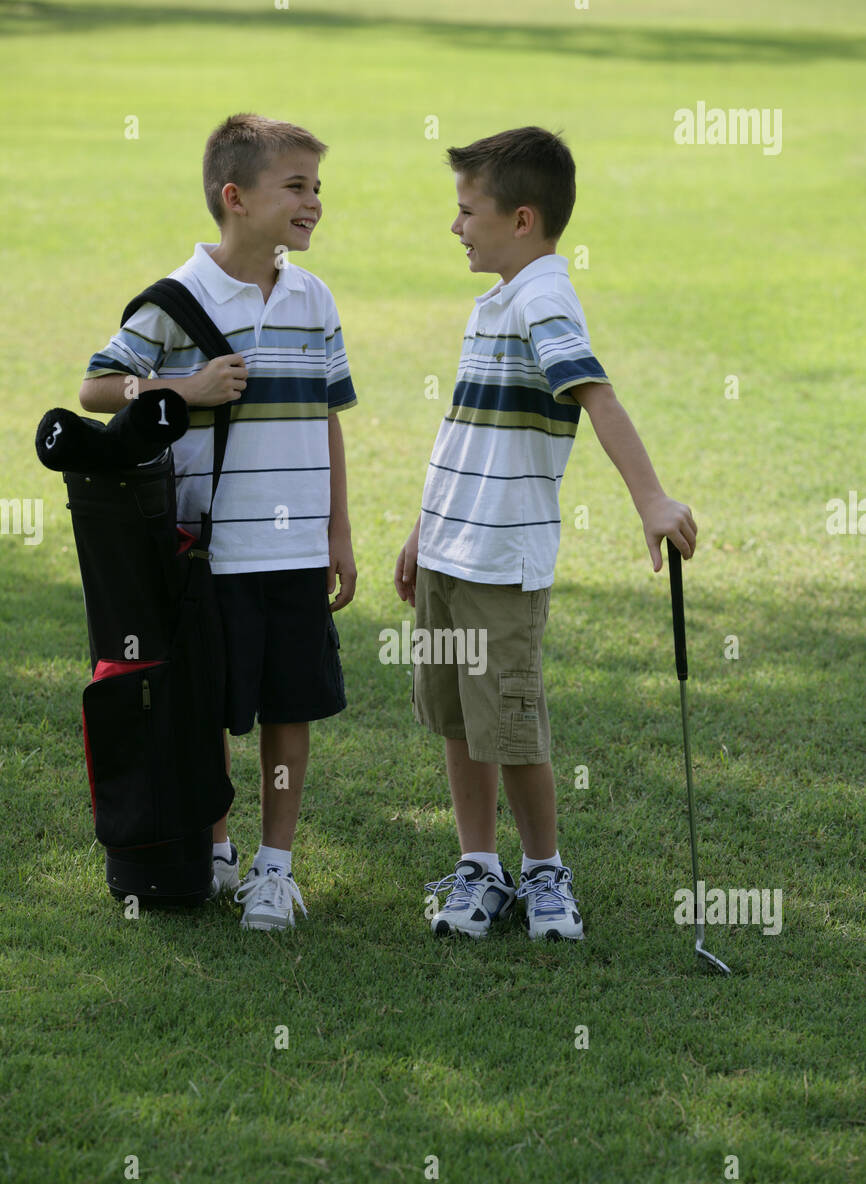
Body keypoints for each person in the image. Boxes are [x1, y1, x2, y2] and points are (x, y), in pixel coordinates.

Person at [394, 126, 697, 943]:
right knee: (461, 720)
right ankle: (478, 867)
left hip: (501, 564)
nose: (456, 227)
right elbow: (464, 431)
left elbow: (594, 394)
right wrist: (425, 531)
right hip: (453, 553)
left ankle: (544, 873)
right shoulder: (493, 302)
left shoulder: (543, 298)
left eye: (468, 212)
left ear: (521, 220)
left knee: (514, 730)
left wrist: (652, 501)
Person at [80, 112, 357, 931]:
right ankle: (217, 847)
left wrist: (339, 532)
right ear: (235, 198)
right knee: (205, 711)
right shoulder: (178, 300)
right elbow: (99, 389)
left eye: (318, 188)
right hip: (210, 553)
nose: (314, 204)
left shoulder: (314, 297)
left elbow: (329, 416)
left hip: (298, 547)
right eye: (296, 188)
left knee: (289, 707)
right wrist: (182, 390)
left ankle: (276, 866)